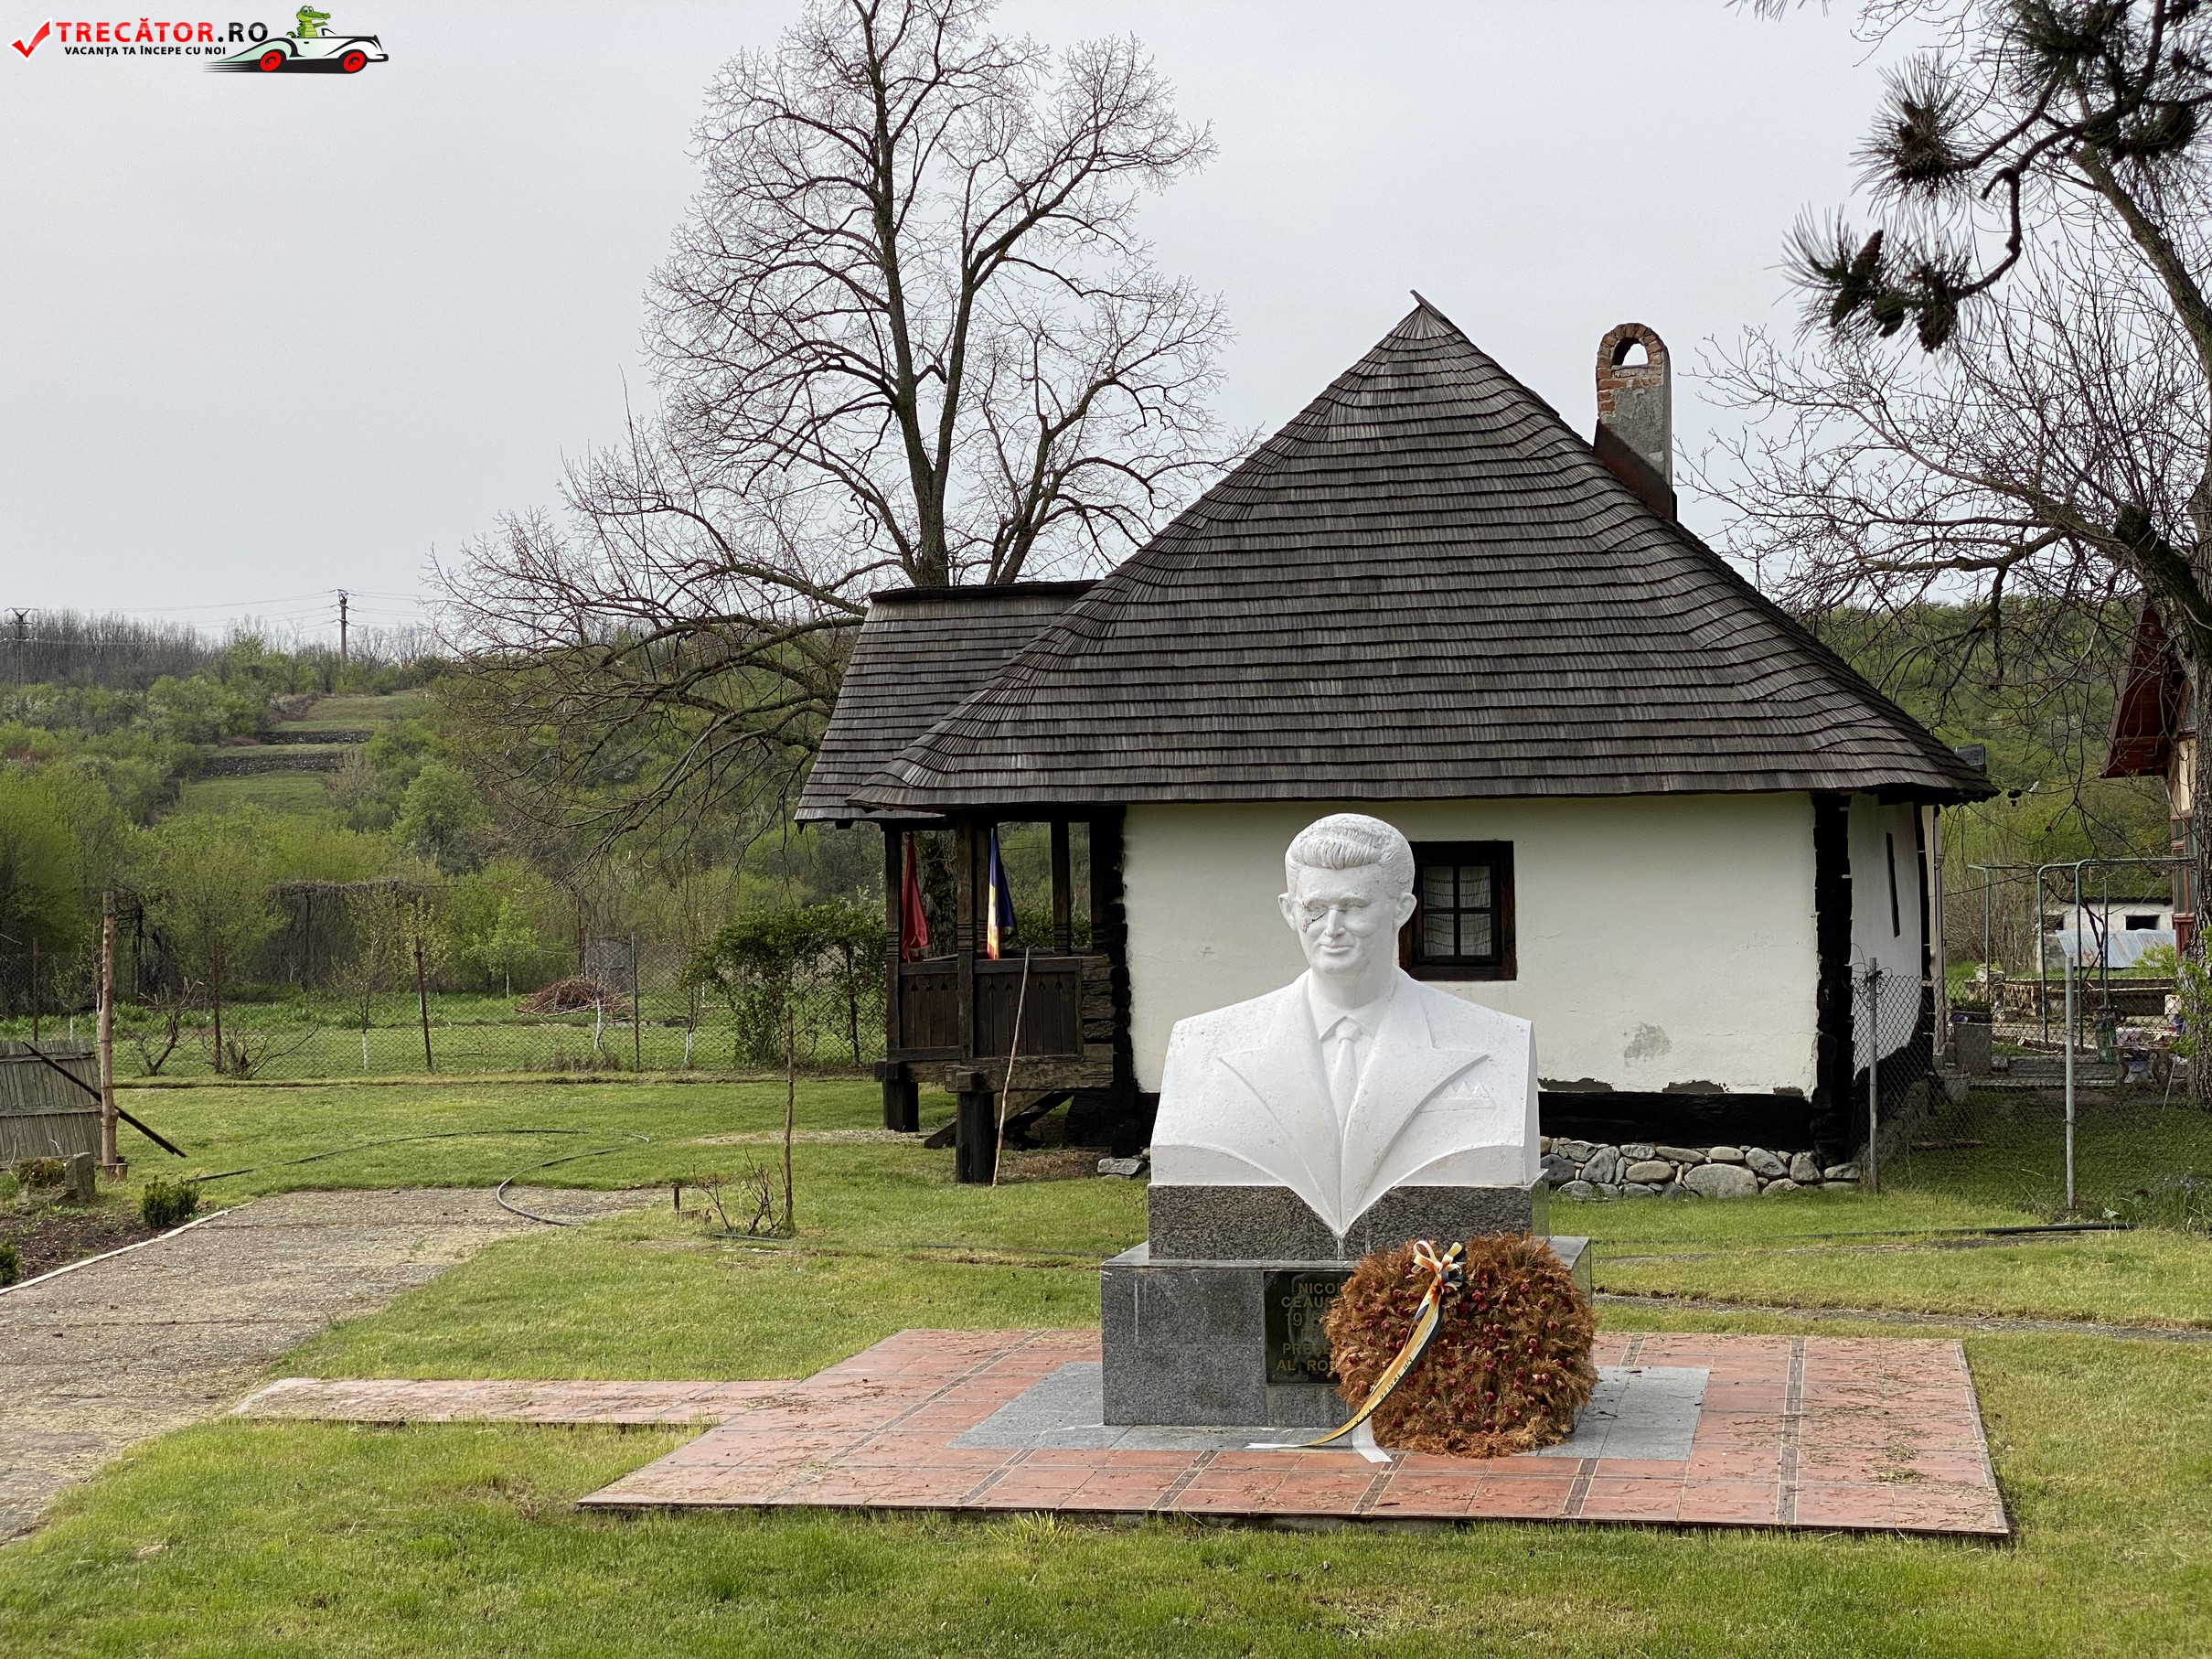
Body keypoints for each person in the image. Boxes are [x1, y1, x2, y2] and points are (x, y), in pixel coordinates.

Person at [1149, 813, 1536, 1238]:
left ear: (1402, 910)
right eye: (1315, 909)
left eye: (1353, 907)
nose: (1332, 930)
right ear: (1289, 910)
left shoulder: (1498, 1042)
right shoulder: (1201, 1046)